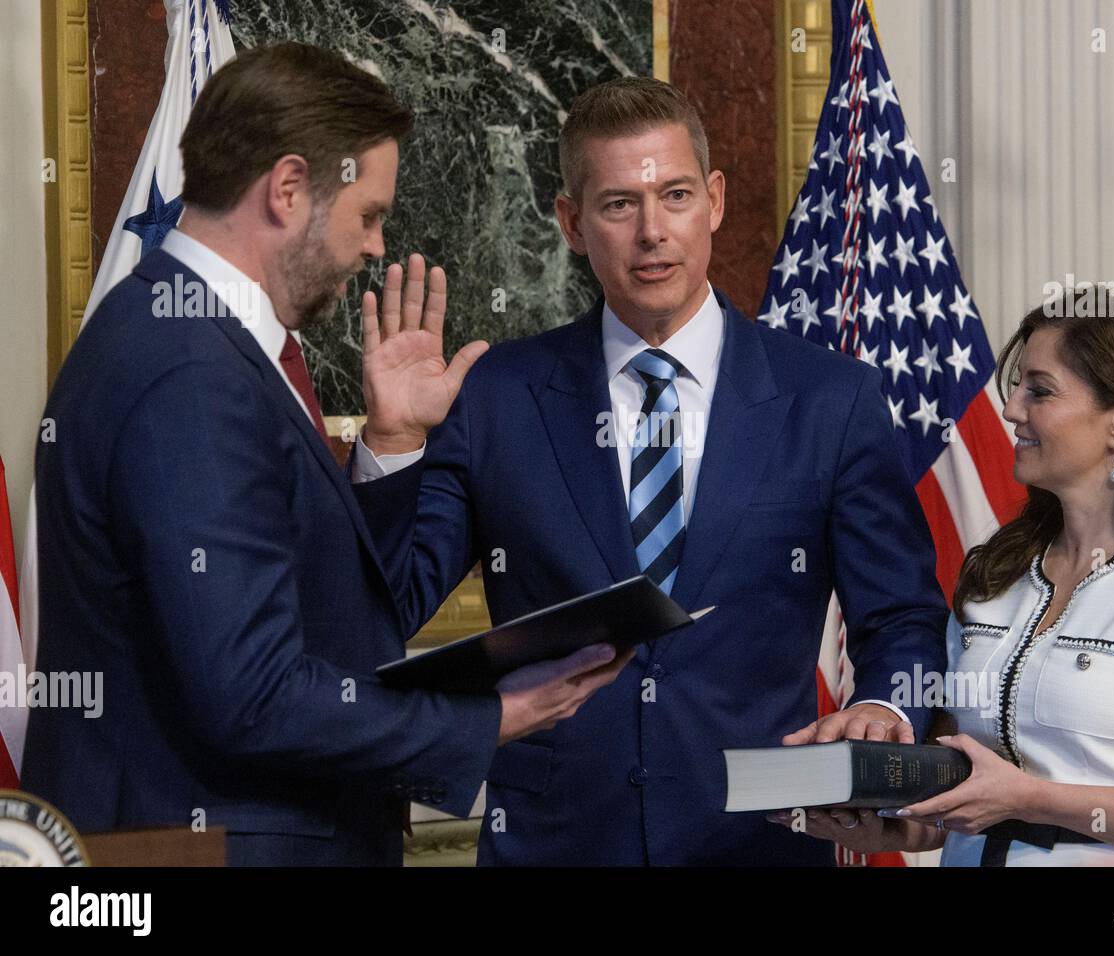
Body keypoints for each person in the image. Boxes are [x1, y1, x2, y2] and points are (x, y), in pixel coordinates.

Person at [22, 42, 629, 867]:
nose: (376, 247)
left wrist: (390, 442)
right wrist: (495, 716)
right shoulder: (189, 372)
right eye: (368, 215)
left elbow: (316, 614)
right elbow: (253, 694)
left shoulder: (185, 338)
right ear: (287, 188)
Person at [350, 76, 949, 865]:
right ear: (570, 222)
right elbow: (384, 606)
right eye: (617, 205)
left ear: (716, 200)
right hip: (554, 844)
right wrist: (392, 437)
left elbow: (902, 616)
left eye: (673, 195)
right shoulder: (496, 395)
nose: (652, 232)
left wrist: (881, 707)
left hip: (760, 842)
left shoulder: (830, 399)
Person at [775, 290, 1114, 865]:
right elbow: (969, 796)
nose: (1011, 409)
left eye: (1038, 390)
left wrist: (1033, 799)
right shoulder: (998, 574)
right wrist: (894, 830)